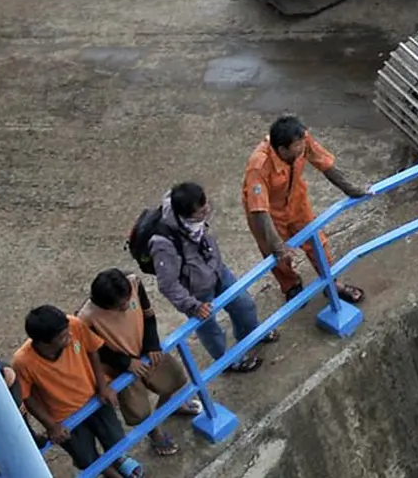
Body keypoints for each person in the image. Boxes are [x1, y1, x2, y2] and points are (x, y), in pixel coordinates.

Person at [243, 117, 371, 305]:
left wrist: (352, 189)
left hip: (297, 202)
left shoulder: (301, 139)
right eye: (298, 147)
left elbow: (325, 164)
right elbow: (260, 210)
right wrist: (278, 246)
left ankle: (332, 282)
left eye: (303, 143)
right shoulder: (259, 166)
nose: (303, 148)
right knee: (278, 256)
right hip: (268, 215)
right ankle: (291, 285)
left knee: (318, 242)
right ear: (282, 150)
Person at [146, 181, 270, 373]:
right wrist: (192, 306)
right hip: (195, 291)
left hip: (217, 270)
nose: (207, 211)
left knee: (244, 304)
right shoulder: (163, 245)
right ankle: (228, 362)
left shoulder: (193, 220)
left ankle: (251, 335)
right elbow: (167, 284)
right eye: (201, 212)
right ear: (185, 215)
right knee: (210, 329)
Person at [10, 307, 139, 476]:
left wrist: (103, 387)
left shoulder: (74, 325)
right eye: (63, 337)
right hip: (65, 418)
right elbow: (27, 397)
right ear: (44, 343)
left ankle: (119, 460)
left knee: (115, 439)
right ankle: (110, 474)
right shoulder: (22, 362)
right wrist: (51, 425)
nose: (70, 336)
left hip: (95, 400)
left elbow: (92, 350)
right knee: (85, 458)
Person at [78, 269, 193, 456]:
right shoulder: (86, 318)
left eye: (126, 300)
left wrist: (152, 344)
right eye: (119, 305)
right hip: (119, 368)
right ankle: (155, 433)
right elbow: (95, 350)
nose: (125, 305)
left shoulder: (134, 283)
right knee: (139, 411)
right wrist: (125, 363)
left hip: (145, 351)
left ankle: (169, 407)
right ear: (105, 304)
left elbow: (148, 315)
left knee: (175, 380)